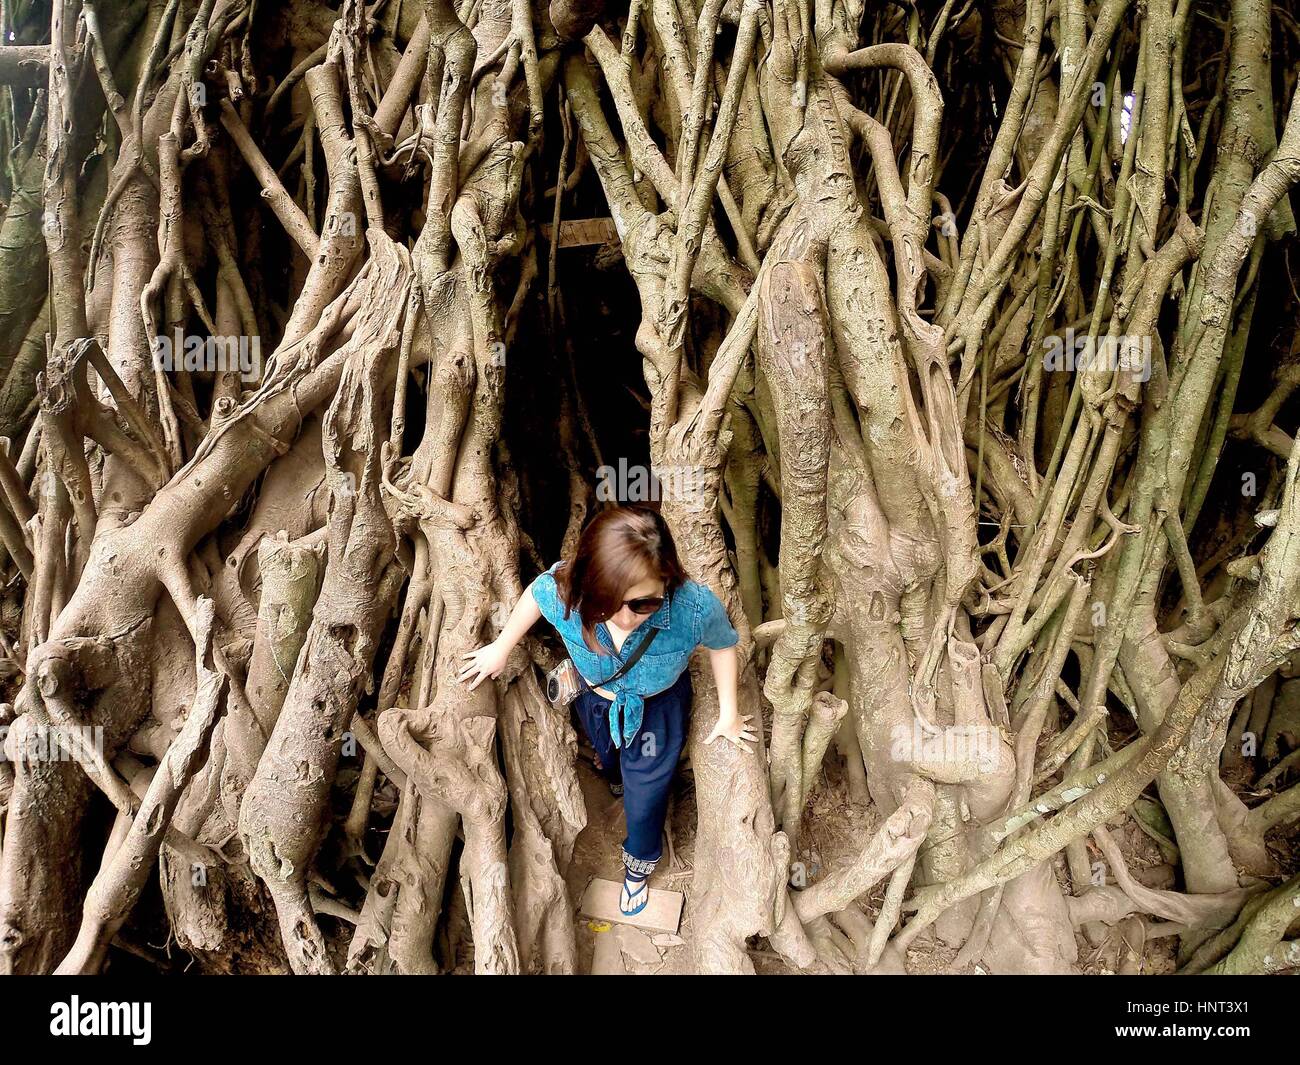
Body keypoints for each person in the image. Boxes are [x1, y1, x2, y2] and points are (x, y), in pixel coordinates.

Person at [458, 504, 756, 916]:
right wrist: (501, 646)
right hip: (594, 700)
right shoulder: (569, 587)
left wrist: (729, 713)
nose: (624, 617)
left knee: (646, 797)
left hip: (656, 709)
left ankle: (638, 868)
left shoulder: (692, 609)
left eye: (643, 604)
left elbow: (724, 645)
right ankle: (615, 776)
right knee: (606, 754)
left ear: (666, 581)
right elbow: (536, 594)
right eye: (608, 602)